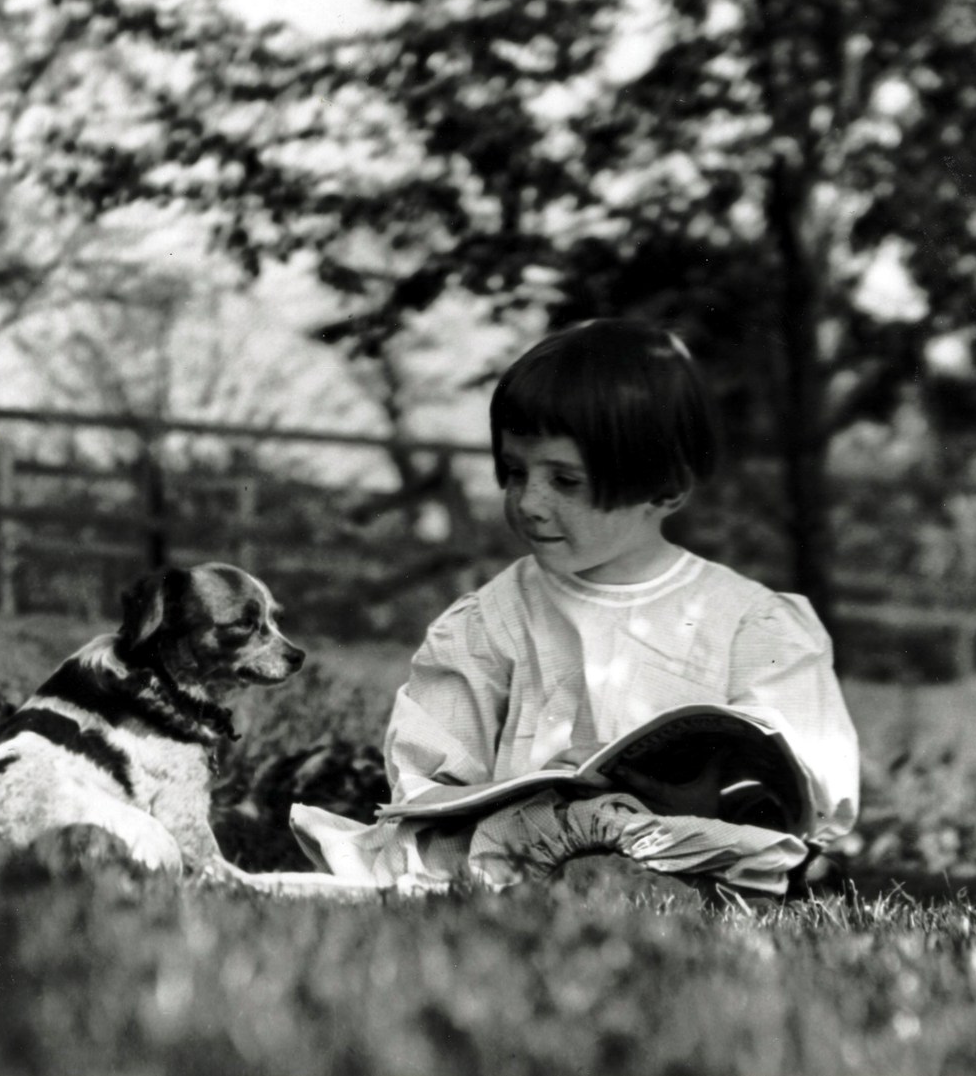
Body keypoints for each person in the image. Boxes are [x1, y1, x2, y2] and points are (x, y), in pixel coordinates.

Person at [289, 319, 860, 899]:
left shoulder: (748, 622)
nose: (529, 502)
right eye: (515, 473)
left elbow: (806, 784)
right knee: (461, 852)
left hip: (687, 852)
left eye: (564, 480)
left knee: (756, 856)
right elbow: (429, 774)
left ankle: (679, 883)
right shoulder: (492, 621)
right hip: (526, 856)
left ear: (665, 487)